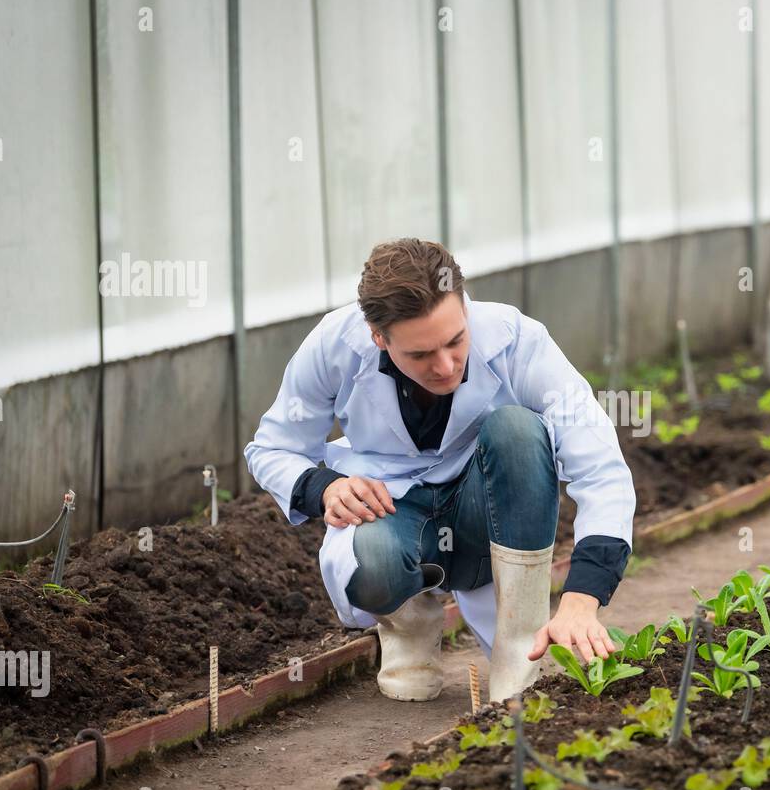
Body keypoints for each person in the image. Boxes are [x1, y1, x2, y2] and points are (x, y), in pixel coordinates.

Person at [244, 238, 636, 704]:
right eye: (420, 355)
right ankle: (410, 622)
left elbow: (601, 467)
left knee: (518, 430)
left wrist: (581, 598)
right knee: (371, 561)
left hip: (482, 510)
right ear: (378, 337)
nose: (446, 365)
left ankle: (517, 649)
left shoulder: (516, 339)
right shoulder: (335, 345)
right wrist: (322, 487)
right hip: (392, 507)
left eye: (456, 341)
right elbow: (272, 448)